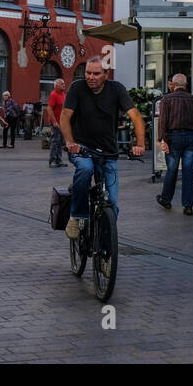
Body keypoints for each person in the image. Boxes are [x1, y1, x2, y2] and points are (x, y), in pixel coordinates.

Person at [60, 57, 146, 248]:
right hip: (82, 149)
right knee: (84, 168)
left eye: (96, 73)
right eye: (88, 73)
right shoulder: (77, 88)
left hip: (108, 153)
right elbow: (65, 116)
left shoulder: (117, 89)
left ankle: (105, 252)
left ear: (106, 75)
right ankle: (77, 215)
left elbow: (136, 117)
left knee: (112, 204)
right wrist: (70, 142)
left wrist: (140, 144)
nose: (91, 77)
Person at [154, 73, 193, 215]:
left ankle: (166, 199)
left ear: (173, 85)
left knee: (172, 169)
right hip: (191, 137)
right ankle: (188, 205)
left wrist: (162, 139)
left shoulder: (167, 99)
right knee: (189, 171)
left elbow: (162, 121)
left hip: (173, 137)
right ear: (186, 85)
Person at [46, 78, 67, 168]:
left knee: (60, 141)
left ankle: (59, 160)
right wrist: (54, 122)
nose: (64, 85)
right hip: (56, 123)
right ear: (56, 85)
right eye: (62, 84)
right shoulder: (54, 94)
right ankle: (53, 160)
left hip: (62, 122)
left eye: (64, 83)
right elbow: (49, 109)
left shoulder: (63, 94)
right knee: (55, 141)